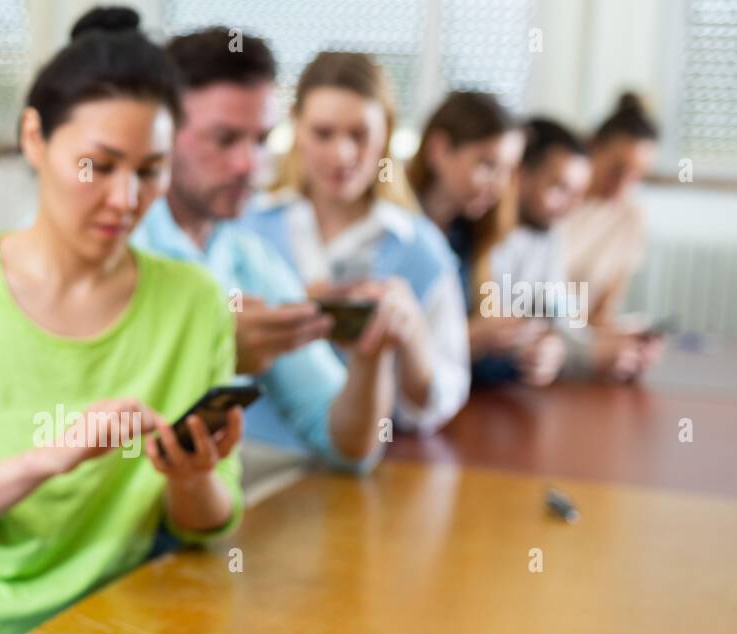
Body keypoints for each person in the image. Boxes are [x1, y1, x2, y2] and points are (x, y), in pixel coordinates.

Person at [0, 6, 243, 634]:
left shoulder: (194, 303)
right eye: (101, 165)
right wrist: (50, 457)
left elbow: (208, 522)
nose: (128, 198)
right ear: (34, 137)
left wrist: (193, 476)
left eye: (150, 171)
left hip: (115, 628)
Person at [131, 28, 391, 470]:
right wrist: (210, 349)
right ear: (163, 132)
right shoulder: (103, 245)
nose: (249, 165)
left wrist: (371, 355)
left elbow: (346, 448)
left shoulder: (250, 262)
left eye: (261, 140)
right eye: (226, 139)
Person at [244, 52, 466, 435]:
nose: (342, 154)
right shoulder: (248, 227)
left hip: (372, 464)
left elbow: (436, 404)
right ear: (295, 127)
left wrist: (410, 337)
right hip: (255, 456)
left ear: (387, 133)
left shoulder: (420, 248)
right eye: (323, 133)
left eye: (359, 135)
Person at [408, 91, 562, 387]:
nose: (499, 186)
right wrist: (467, 337)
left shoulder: (471, 235)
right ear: (439, 150)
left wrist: (527, 354)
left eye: (507, 171)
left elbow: (474, 359)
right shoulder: (396, 232)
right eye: (487, 165)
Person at [560, 93, 665, 380]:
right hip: (541, 349)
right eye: (617, 170)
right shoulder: (555, 203)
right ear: (592, 148)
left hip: (575, 356)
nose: (624, 185)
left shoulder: (630, 219)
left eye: (637, 175)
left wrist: (627, 341)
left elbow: (600, 315)